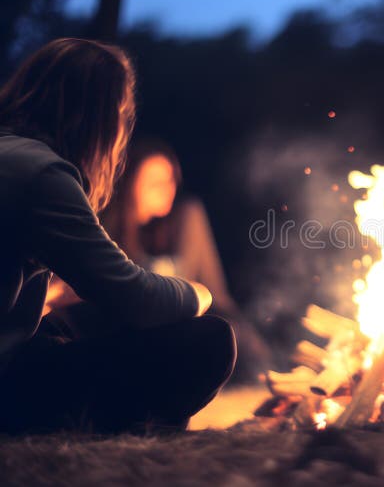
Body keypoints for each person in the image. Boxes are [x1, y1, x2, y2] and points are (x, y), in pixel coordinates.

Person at [0, 38, 236, 435]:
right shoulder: (42, 174)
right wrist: (200, 293)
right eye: (121, 114)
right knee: (211, 341)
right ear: (98, 117)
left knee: (64, 329)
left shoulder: (12, 156)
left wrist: (54, 295)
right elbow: (136, 298)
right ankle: (112, 425)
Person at [97, 138, 271, 382]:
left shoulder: (183, 219)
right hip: (139, 338)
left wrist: (254, 346)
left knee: (224, 330)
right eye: (154, 183)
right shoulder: (107, 230)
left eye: (169, 181)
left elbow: (216, 294)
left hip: (184, 325)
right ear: (129, 185)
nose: (166, 189)